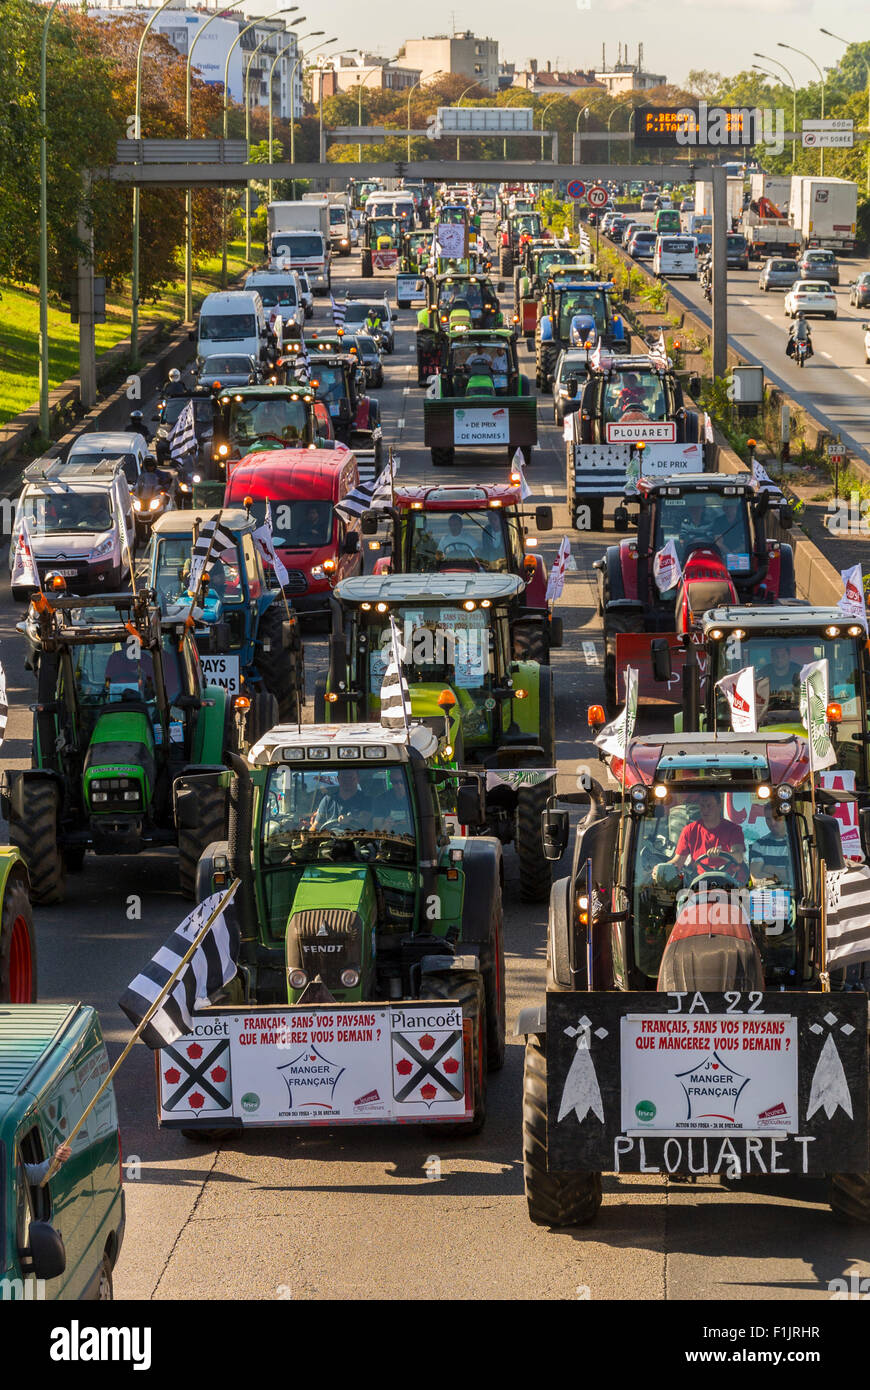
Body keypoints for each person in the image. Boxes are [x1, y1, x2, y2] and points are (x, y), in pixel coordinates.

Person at [653, 789, 746, 884]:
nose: (705, 810)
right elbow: (678, 862)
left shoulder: (734, 829)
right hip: (701, 883)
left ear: (719, 806)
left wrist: (721, 854)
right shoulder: (689, 830)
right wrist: (662, 869)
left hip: (731, 883)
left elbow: (738, 857)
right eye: (702, 806)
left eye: (709, 806)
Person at [749, 805, 792, 885]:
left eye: (776, 818)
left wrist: (768, 869)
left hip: (794, 894)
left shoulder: (795, 844)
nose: (772, 823)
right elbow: (756, 879)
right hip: (767, 895)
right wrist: (782, 876)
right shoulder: (759, 844)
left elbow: (797, 877)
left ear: (784, 818)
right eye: (768, 819)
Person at [759, 645, 802, 710]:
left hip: (797, 711)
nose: (779, 659)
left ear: (789, 656)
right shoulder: (763, 673)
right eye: (776, 656)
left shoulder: (800, 672)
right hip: (767, 712)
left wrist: (793, 689)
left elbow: (807, 692)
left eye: (783, 656)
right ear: (772, 657)